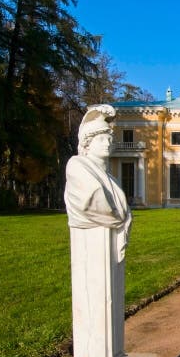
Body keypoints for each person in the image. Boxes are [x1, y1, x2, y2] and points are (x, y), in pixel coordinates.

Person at [64, 104, 132, 261]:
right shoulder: (76, 167)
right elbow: (95, 200)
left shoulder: (112, 179)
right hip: (91, 242)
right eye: (101, 139)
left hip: (106, 239)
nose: (107, 143)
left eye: (109, 139)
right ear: (87, 143)